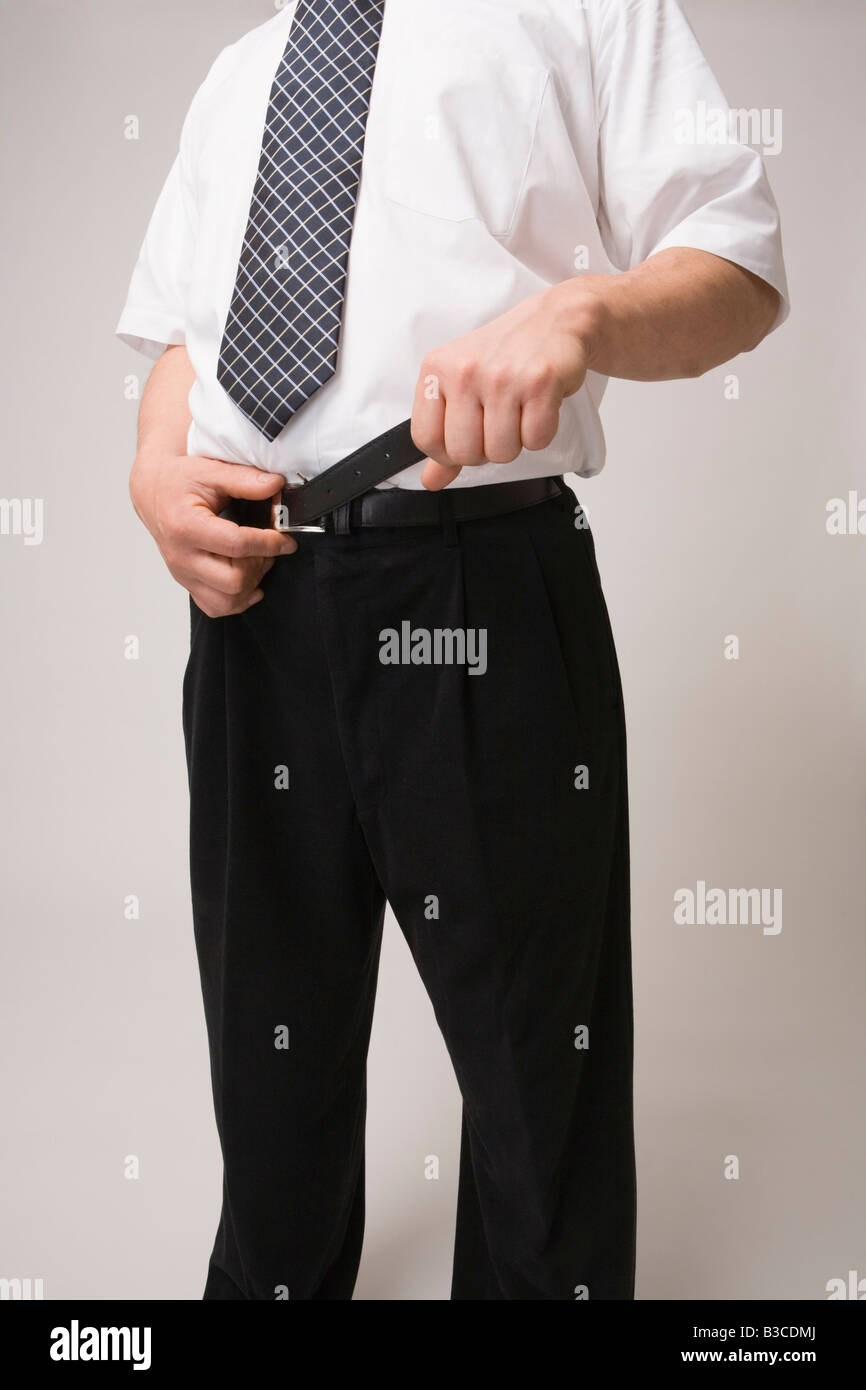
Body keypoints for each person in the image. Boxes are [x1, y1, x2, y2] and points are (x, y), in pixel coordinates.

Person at [116, 0, 788, 1300]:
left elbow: (737, 264)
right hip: (249, 605)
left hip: (474, 581)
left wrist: (584, 313)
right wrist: (155, 466)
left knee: (535, 1085)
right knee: (269, 1073)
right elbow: (181, 341)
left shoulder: (586, 11)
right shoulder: (239, 70)